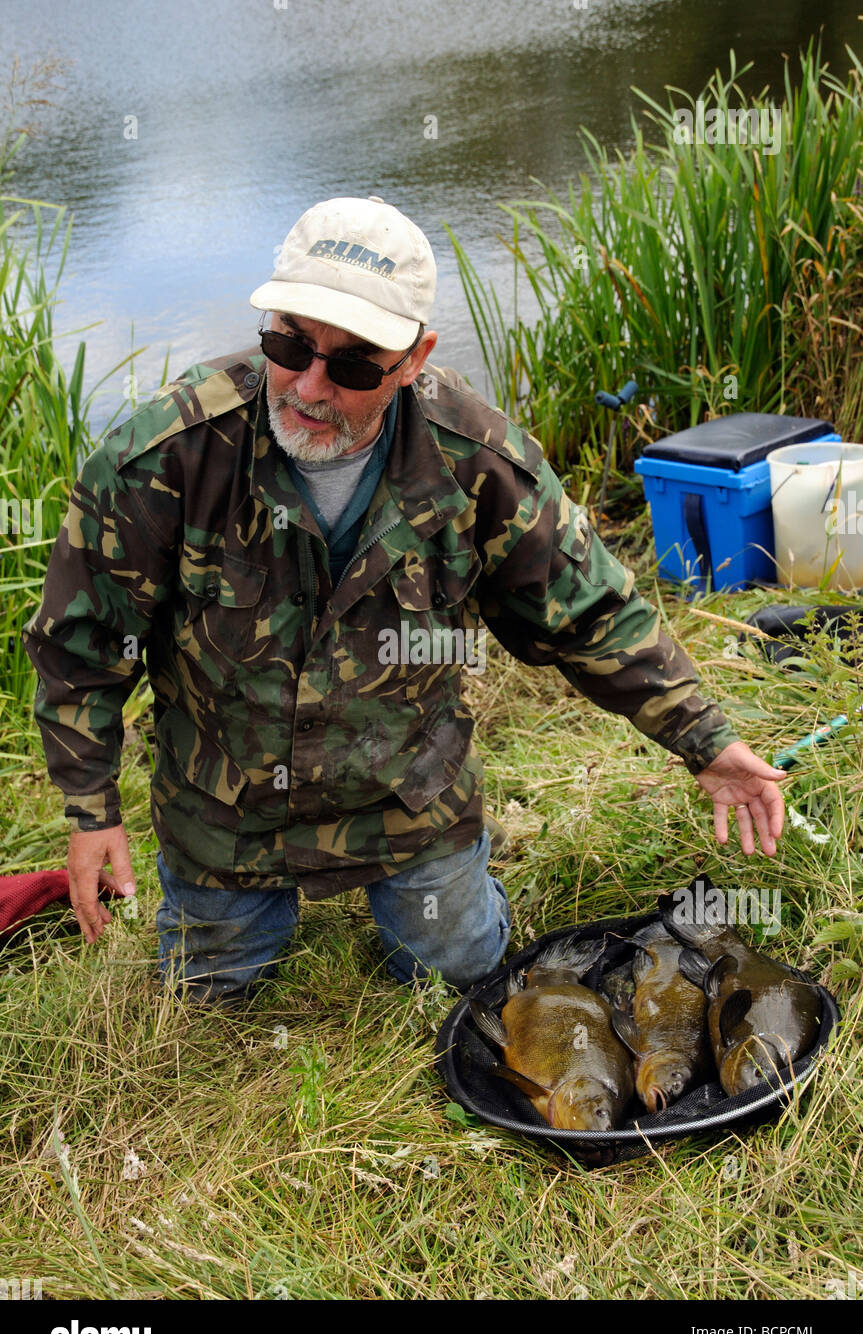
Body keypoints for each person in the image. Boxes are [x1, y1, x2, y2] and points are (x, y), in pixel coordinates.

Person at [23, 195, 785, 1006]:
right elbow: (86, 641)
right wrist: (89, 809)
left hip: (408, 792)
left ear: (413, 358)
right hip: (225, 803)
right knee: (205, 1001)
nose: (309, 385)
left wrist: (703, 738)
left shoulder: (477, 462)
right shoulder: (165, 457)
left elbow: (588, 610)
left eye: (352, 365)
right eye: (288, 343)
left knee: (464, 985)